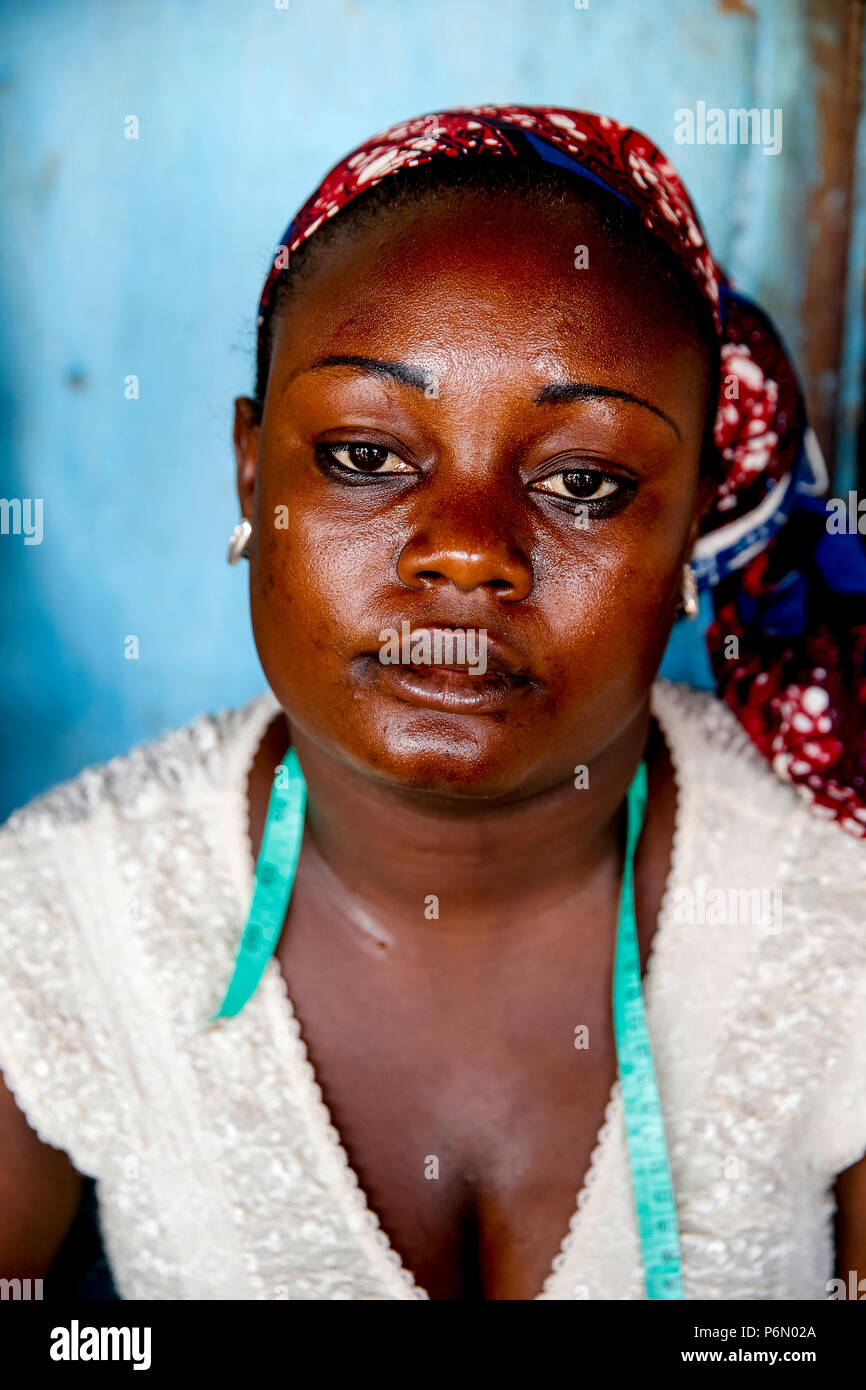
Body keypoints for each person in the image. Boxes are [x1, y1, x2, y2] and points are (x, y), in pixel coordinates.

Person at [1, 106, 864, 1302]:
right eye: (364, 455)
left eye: (582, 479)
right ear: (252, 475)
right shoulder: (59, 915)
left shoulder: (836, 898)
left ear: (691, 533)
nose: (465, 554)